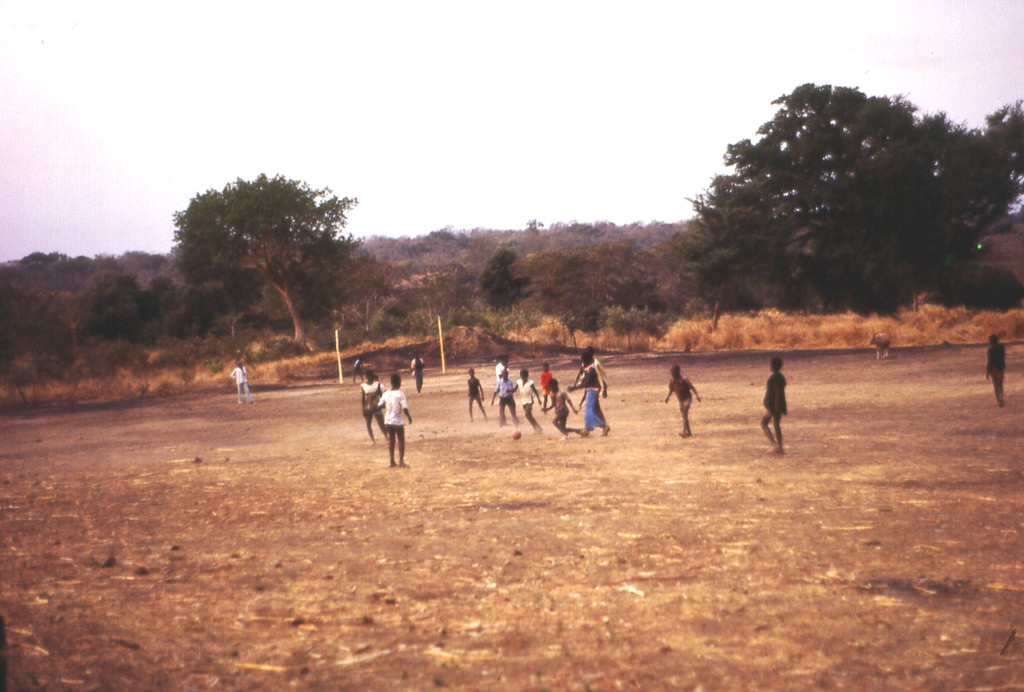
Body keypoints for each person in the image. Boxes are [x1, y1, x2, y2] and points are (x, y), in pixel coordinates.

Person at [571, 350, 610, 436]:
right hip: (591, 390)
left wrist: (575, 388)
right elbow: (584, 380)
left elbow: (587, 382)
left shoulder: (592, 369)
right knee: (595, 410)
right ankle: (604, 426)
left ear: (586, 360)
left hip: (592, 390)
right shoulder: (587, 368)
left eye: (582, 360)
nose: (581, 362)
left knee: (588, 409)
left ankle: (588, 428)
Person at [378, 373, 412, 467]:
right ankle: (401, 461)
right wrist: (409, 417)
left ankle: (392, 461)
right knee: (401, 440)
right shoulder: (400, 394)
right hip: (397, 421)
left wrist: (388, 406)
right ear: (399, 383)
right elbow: (404, 407)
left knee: (391, 440)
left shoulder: (386, 394)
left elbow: (380, 405)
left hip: (388, 421)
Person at [665, 364, 702, 438]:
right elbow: (671, 390)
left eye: (673, 372)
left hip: (687, 398)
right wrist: (667, 397)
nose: (672, 373)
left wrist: (697, 396)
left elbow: (692, 388)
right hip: (681, 400)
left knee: (684, 413)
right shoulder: (672, 381)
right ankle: (689, 432)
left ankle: (684, 431)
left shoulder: (684, 380)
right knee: (684, 416)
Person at [760, 356, 787, 454]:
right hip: (778, 405)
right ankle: (780, 446)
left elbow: (777, 392)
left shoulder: (774, 378)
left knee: (763, 423)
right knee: (776, 425)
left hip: (773, 406)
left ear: (773, 366)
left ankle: (775, 445)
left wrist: (775, 406)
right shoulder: (780, 377)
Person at [360, 370, 387, 444]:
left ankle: (378, 438)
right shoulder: (364, 386)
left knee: (376, 423)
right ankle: (382, 437)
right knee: (377, 423)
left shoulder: (376, 385)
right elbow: (363, 398)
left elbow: (382, 394)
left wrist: (363, 409)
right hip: (373, 407)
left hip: (370, 407)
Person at [516, 369, 543, 433]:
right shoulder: (519, 382)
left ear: (527, 376)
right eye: (522, 375)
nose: (523, 377)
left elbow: (535, 390)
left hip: (529, 400)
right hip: (523, 400)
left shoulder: (530, 382)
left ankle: (537, 428)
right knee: (529, 416)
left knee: (527, 414)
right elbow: (515, 388)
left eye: (524, 376)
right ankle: (537, 428)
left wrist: (538, 399)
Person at [987, 334, 1006, 407]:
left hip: (993, 368)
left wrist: (987, 371)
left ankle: (998, 399)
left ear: (991, 341)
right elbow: (1003, 356)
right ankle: (1001, 397)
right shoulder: (1001, 347)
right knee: (1000, 383)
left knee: (995, 384)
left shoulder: (990, 349)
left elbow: (990, 361)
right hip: (1000, 367)